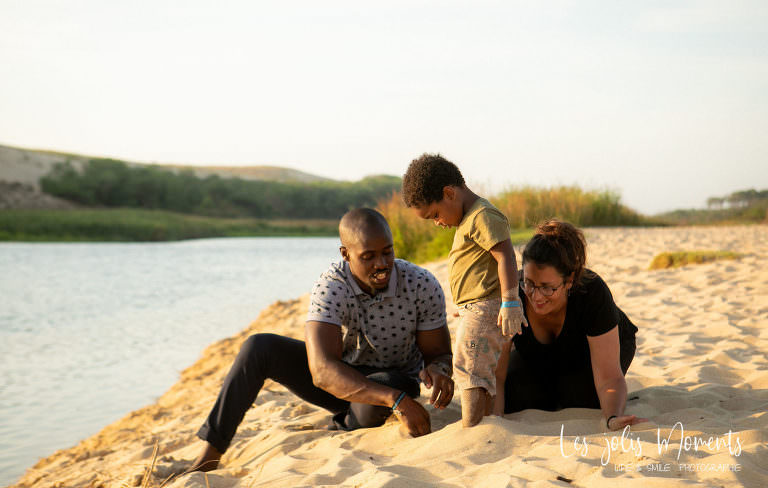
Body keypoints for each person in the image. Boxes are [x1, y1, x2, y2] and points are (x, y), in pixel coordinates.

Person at [189, 208, 455, 472]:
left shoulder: (420, 284)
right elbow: (322, 371)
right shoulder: (332, 285)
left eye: (387, 252)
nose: (382, 264)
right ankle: (209, 456)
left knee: (382, 390)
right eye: (368, 256)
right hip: (345, 379)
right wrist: (394, 400)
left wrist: (439, 370)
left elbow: (439, 354)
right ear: (345, 254)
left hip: (394, 380)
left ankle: (346, 423)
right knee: (259, 347)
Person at [402, 153, 526, 427]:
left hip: (486, 307)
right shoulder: (469, 219)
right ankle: (487, 424)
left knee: (468, 367)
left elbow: (505, 256)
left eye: (435, 215)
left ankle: (471, 428)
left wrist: (510, 301)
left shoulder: (483, 215)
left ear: (449, 193)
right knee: (480, 369)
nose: (437, 223)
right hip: (477, 307)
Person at [497, 219, 645, 431]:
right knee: (518, 396)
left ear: (569, 281)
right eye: (529, 283)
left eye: (547, 288)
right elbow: (497, 375)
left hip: (600, 348)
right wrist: (495, 424)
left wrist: (613, 418)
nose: (536, 296)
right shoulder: (513, 294)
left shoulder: (592, 292)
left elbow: (609, 378)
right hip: (541, 355)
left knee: (579, 396)